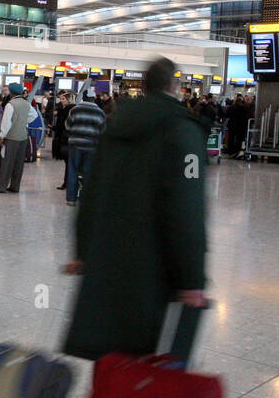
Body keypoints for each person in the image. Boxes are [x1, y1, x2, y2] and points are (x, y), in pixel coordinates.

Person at [63, 58, 210, 359]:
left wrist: (80, 249)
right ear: (175, 86)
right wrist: (192, 279)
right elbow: (188, 209)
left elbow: (92, 191)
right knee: (145, 369)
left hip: (107, 261)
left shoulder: (117, 126)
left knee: (109, 367)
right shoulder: (184, 131)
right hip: (153, 271)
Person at [64, 89, 106, 205]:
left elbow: (67, 126)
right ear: (93, 99)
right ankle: (85, 199)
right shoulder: (100, 112)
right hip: (91, 145)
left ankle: (71, 199)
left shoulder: (74, 110)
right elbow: (103, 130)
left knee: (73, 170)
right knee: (88, 172)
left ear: (83, 98)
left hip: (75, 144)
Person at [0, 82, 31, 194]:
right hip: (23, 137)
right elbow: (33, 115)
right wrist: (22, 122)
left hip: (12, 137)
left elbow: (6, 122)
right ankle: (15, 186)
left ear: (11, 92)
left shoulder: (10, 104)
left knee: (7, 162)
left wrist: (1, 136)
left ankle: (1, 186)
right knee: (19, 163)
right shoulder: (26, 103)